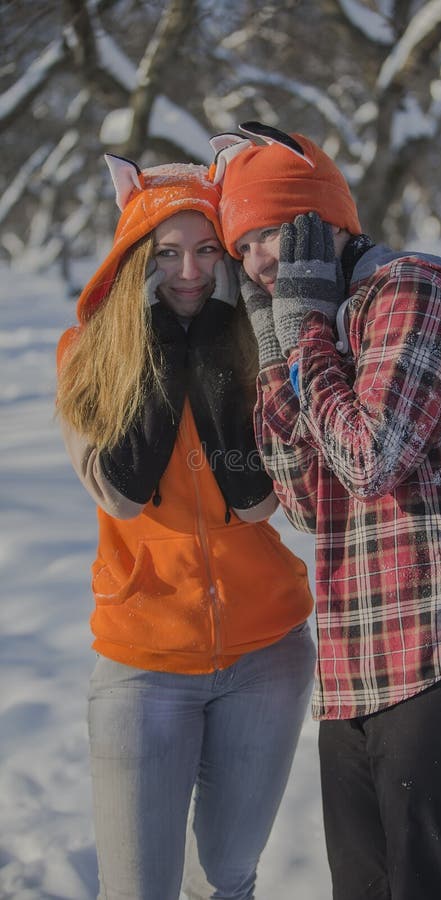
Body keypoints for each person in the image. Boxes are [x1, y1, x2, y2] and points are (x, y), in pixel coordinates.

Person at [209, 121, 441, 900]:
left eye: (272, 236)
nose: (259, 264)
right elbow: (309, 503)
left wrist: (305, 340)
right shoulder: (321, 324)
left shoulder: (413, 291)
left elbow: (370, 457)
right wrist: (278, 363)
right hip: (359, 667)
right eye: (243, 248)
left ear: (321, 228)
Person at [55, 154, 316, 900]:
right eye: (166, 253)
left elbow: (263, 501)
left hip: (268, 653)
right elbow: (122, 493)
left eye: (206, 250)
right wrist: (163, 355)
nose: (190, 272)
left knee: (228, 879)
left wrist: (222, 360)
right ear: (136, 260)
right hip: (145, 663)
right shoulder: (86, 356)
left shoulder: (254, 343)